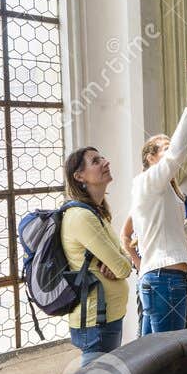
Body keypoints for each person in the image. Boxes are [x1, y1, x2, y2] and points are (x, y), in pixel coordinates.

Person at [129, 64, 187, 334]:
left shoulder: (163, 190)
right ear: (150, 158)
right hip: (165, 281)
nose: (172, 153)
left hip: (164, 279)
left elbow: (156, 234)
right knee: (167, 358)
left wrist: (186, 228)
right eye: (165, 148)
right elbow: (176, 157)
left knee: (150, 358)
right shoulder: (147, 182)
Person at [61, 145, 134, 360]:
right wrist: (121, 263)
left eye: (102, 158)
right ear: (79, 176)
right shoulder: (82, 217)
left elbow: (123, 258)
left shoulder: (97, 213)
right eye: (95, 161)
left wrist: (122, 261)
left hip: (107, 317)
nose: (105, 162)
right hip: (95, 321)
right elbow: (123, 267)